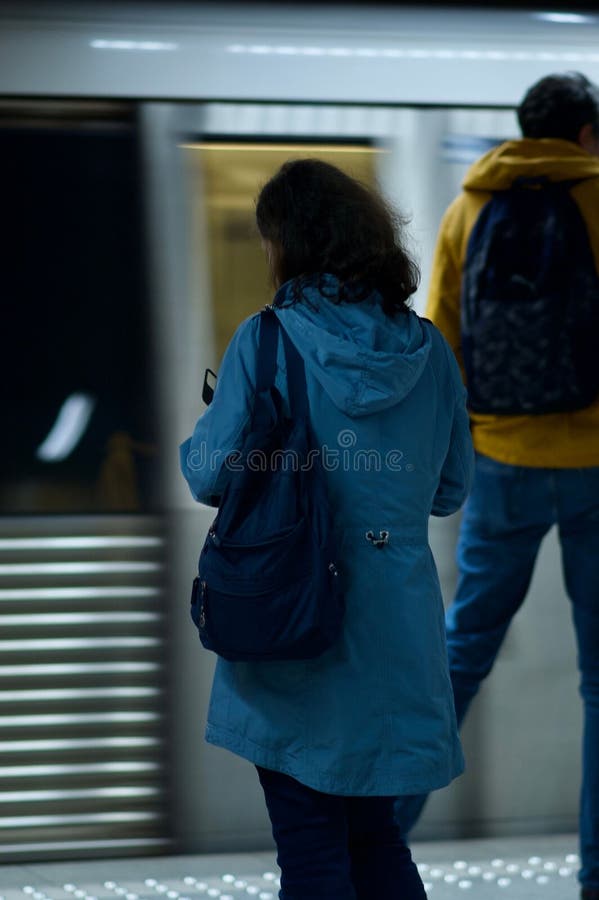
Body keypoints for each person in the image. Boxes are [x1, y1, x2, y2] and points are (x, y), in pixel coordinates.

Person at [180, 158, 474, 900]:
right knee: (377, 841)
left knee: (311, 850)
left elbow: (209, 474)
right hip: (395, 632)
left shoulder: (267, 340)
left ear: (288, 242)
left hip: (294, 624)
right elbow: (449, 490)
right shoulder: (429, 350)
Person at [393, 72, 599, 900]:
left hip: (502, 464)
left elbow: (439, 341)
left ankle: (379, 842)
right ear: (585, 133)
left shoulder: (467, 206)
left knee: (457, 659)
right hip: (593, 463)